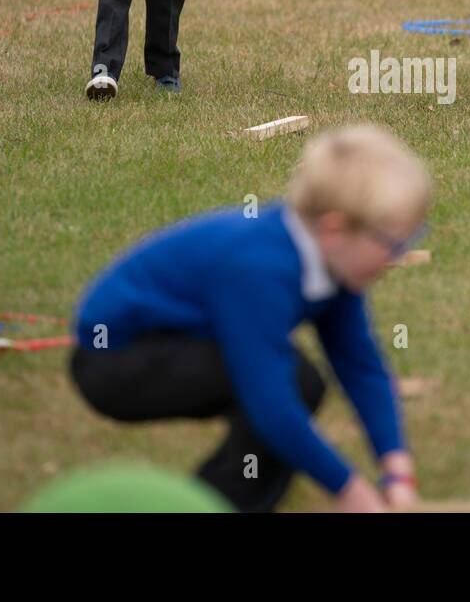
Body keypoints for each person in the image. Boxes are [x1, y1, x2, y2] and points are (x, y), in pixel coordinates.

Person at [69, 124, 431, 512]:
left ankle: (216, 502)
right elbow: (271, 404)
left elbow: (360, 365)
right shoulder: (260, 268)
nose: (397, 256)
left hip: (180, 342)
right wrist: (352, 493)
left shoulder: (333, 267)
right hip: (113, 358)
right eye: (393, 243)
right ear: (334, 229)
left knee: (296, 386)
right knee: (287, 389)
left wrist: (397, 471)